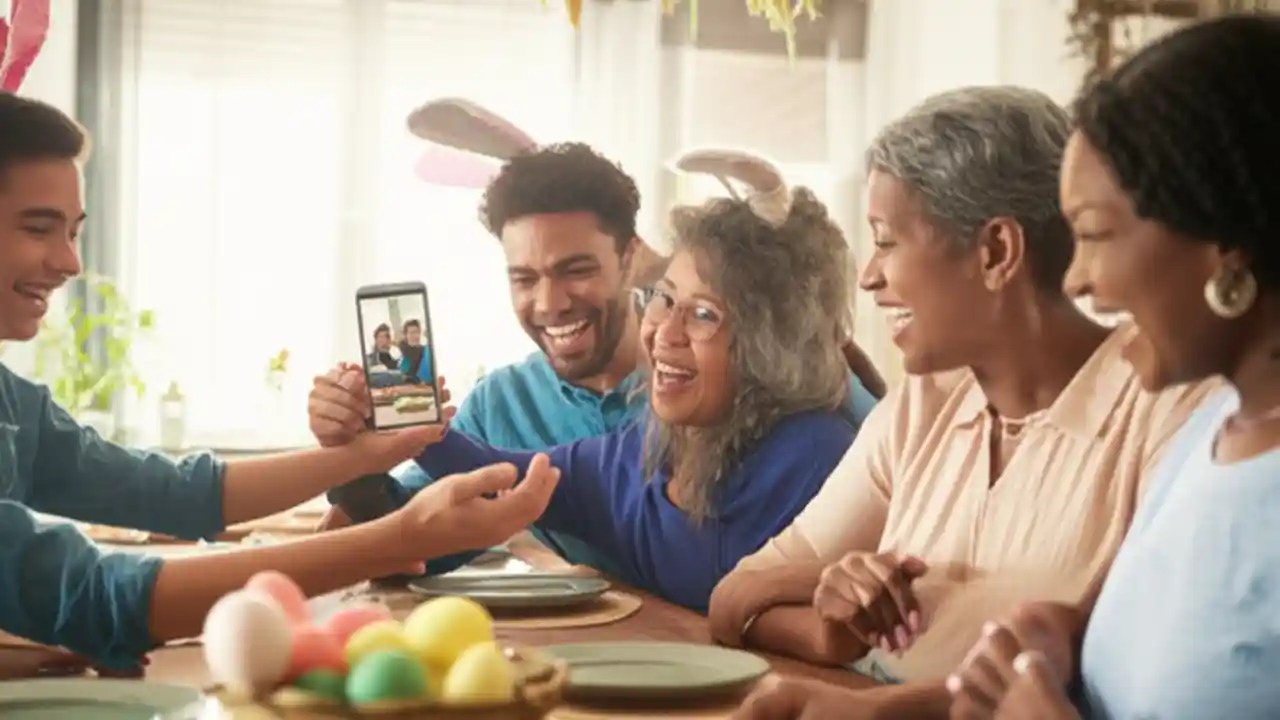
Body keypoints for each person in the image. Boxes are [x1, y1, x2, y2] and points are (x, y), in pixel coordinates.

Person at [0, 91, 559, 670]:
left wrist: (366, 455)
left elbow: (173, 491)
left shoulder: (14, 403)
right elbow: (98, 598)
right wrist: (403, 538)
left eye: (73, 233)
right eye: (39, 229)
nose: (69, 262)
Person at [709, 86, 1214, 716]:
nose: (868, 276)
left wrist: (874, 701)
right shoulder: (922, 406)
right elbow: (732, 601)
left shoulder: (1168, 409)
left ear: (997, 251)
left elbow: (1114, 673)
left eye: (887, 240)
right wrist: (828, 624)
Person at [314, 151, 865, 611]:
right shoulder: (640, 446)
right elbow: (498, 485)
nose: (665, 333)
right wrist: (395, 429)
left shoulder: (822, 455)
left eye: (703, 314)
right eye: (665, 300)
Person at [948, 16, 1280, 720]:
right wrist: (1066, 639)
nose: (1076, 279)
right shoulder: (1216, 426)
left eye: (1096, 234)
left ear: (1227, 238)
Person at [397, 318, 433, 383]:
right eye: (411, 333)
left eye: (416, 332)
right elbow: (403, 372)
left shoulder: (425, 351)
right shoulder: (404, 352)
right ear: (406, 335)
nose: (414, 336)